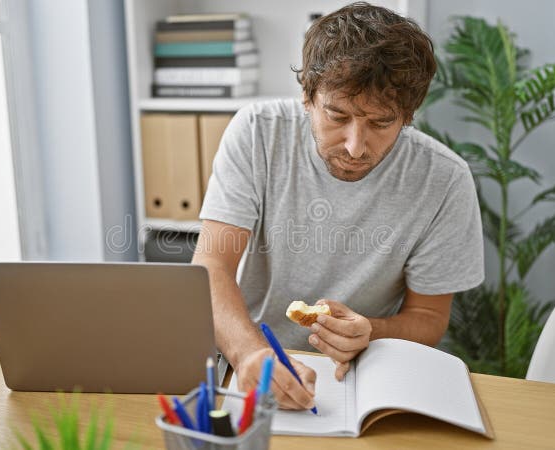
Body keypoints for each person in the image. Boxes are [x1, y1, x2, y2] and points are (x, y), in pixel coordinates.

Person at [191, 2, 484, 411]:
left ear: (408, 117)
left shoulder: (445, 179)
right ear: (308, 97)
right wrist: (249, 354)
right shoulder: (257, 132)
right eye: (337, 116)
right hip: (246, 356)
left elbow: (429, 316)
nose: (355, 146)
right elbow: (210, 267)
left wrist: (372, 331)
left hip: (364, 375)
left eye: (381, 123)